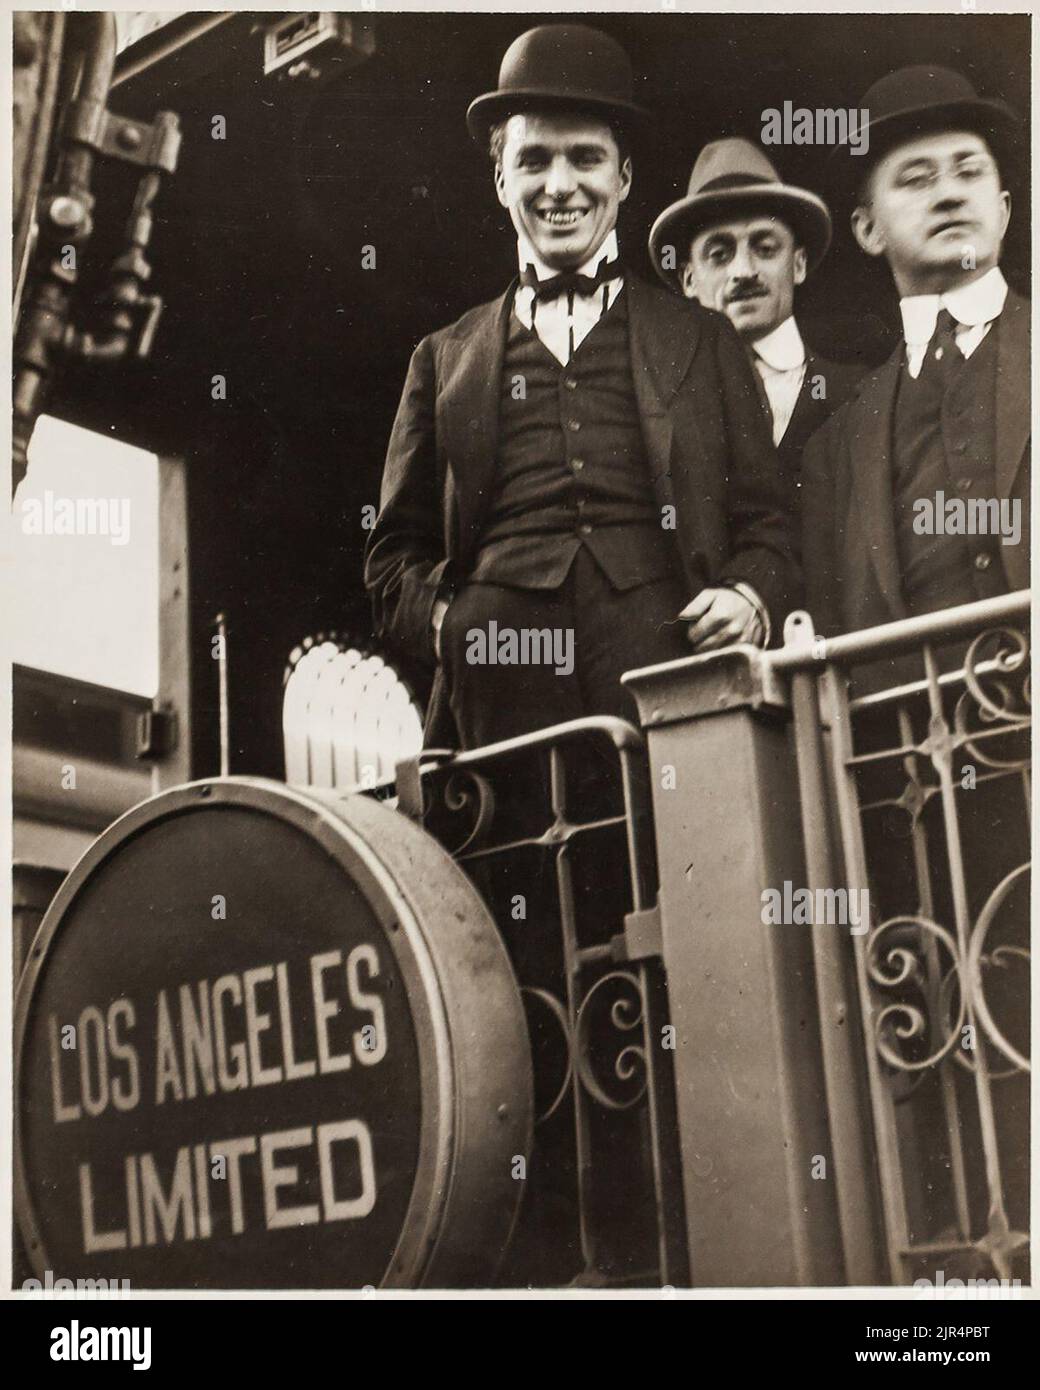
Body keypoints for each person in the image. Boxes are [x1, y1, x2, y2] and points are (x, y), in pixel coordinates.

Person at [365, 24, 796, 750]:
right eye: (534, 159)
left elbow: (774, 524)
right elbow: (390, 560)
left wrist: (748, 598)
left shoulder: (703, 338)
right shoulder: (443, 357)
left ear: (622, 178)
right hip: (497, 679)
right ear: (502, 180)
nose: (560, 185)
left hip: (669, 662)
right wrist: (448, 624)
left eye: (586, 158)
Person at [801, 66, 1028, 641]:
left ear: (1002, 210)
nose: (949, 193)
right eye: (916, 179)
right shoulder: (835, 447)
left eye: (968, 172)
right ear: (868, 229)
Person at [650, 137, 860, 495]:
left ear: (798, 263)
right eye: (719, 254)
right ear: (688, 278)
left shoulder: (860, 395)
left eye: (764, 249)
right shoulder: (660, 411)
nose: (744, 271)